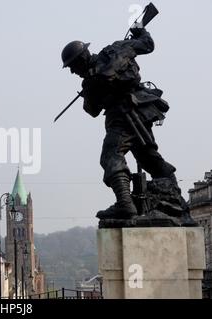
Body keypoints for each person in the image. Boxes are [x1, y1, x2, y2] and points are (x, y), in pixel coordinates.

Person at [61, 23, 177, 220]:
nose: (73, 71)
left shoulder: (110, 56)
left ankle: (125, 203)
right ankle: (173, 194)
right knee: (148, 157)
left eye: (73, 66)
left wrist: (140, 31)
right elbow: (93, 111)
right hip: (134, 112)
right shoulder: (96, 71)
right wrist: (89, 91)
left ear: (82, 58)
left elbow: (146, 44)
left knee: (111, 155)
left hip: (126, 114)